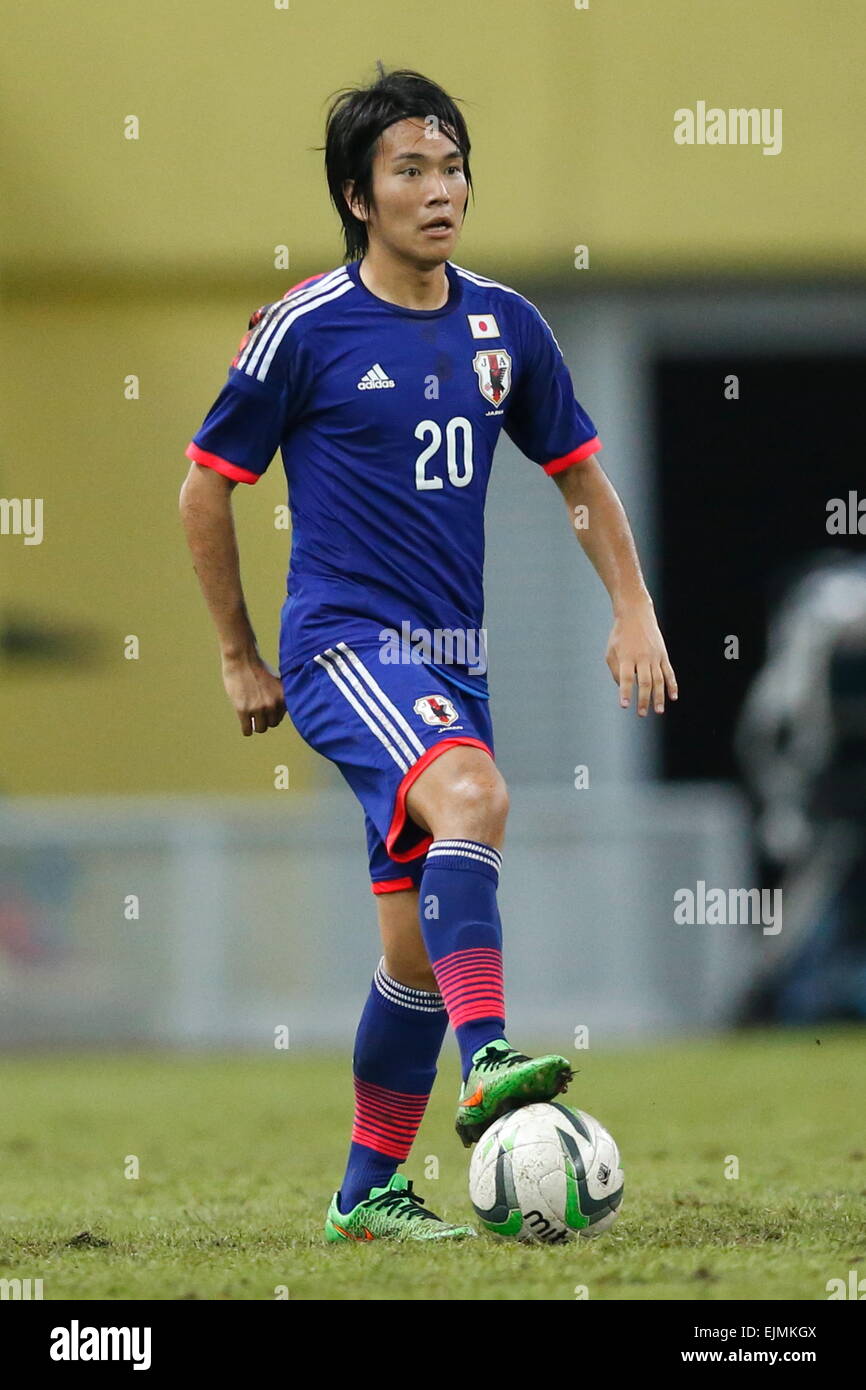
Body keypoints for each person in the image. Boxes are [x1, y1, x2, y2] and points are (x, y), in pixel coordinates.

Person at [179, 66, 677, 1243]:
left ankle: (366, 1192)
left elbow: (577, 477)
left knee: (409, 953)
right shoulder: (304, 328)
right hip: (344, 645)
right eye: (410, 169)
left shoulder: (507, 324)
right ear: (359, 194)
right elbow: (206, 488)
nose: (438, 188)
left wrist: (634, 610)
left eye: (451, 166)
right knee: (474, 791)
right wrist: (239, 654)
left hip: (450, 662)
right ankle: (490, 1056)